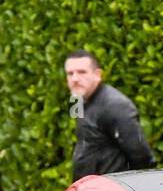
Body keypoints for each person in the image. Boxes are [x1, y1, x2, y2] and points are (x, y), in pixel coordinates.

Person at [65, 49, 155, 179]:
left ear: (98, 75)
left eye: (82, 72)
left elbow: (142, 157)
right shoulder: (78, 100)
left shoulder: (116, 105)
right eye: (70, 73)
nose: (75, 79)